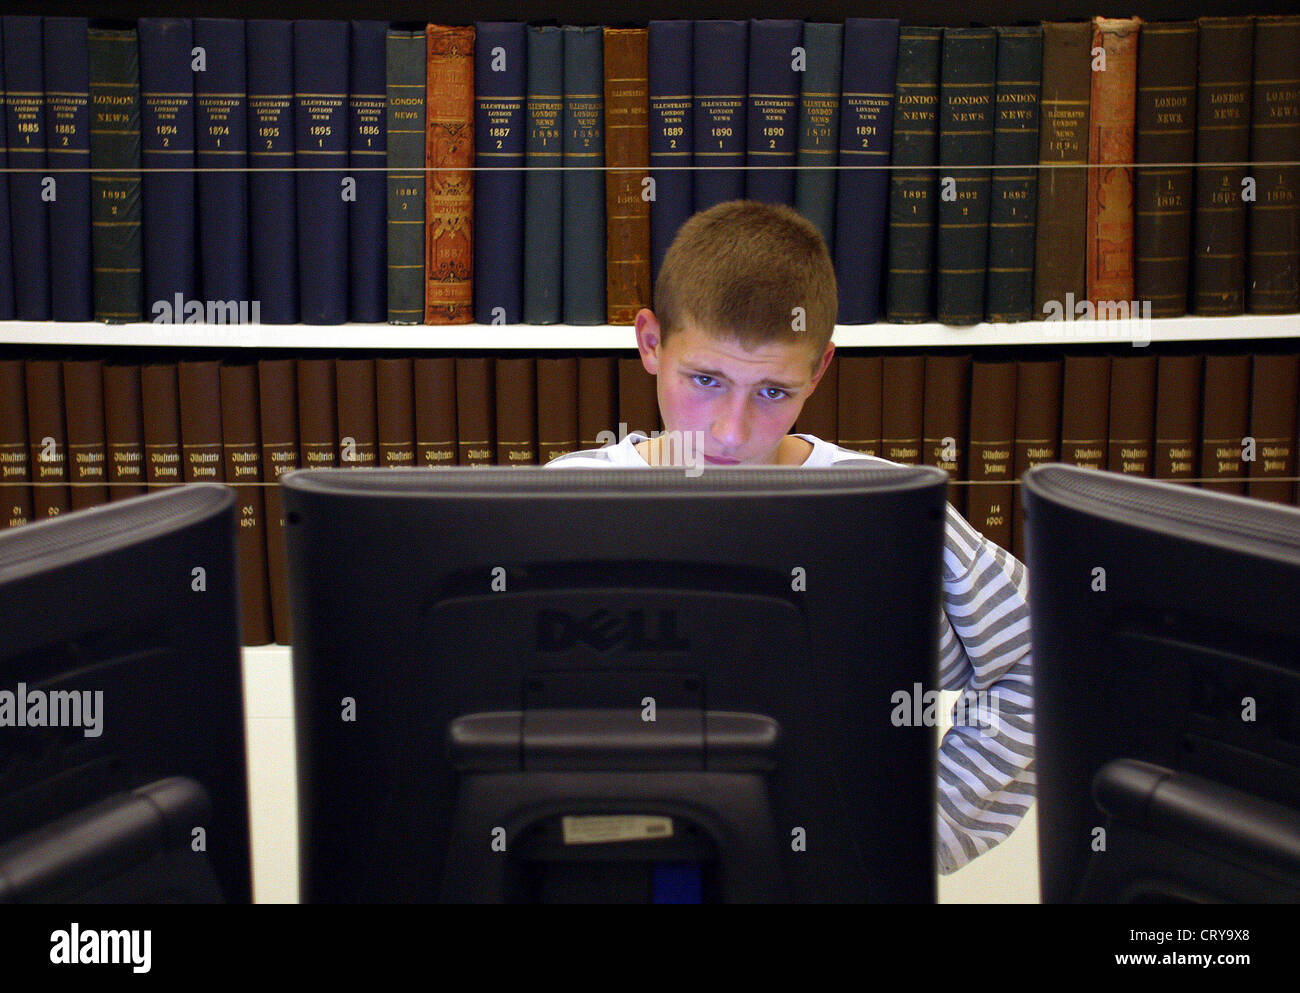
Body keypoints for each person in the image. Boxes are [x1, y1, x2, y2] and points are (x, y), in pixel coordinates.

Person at [546, 199, 1034, 875]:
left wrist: (925, 832)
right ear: (651, 343)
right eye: (706, 380)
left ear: (820, 369)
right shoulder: (558, 502)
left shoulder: (885, 512)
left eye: (773, 391)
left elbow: (1044, 658)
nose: (729, 430)